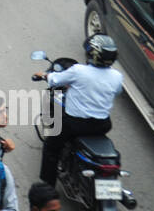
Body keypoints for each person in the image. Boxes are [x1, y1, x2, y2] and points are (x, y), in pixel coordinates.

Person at [37, 34, 123, 185]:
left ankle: (48, 187)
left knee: (51, 147)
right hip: (102, 125)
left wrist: (44, 75)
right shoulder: (117, 76)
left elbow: (54, 79)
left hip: (74, 125)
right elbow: (116, 91)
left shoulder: (78, 71)